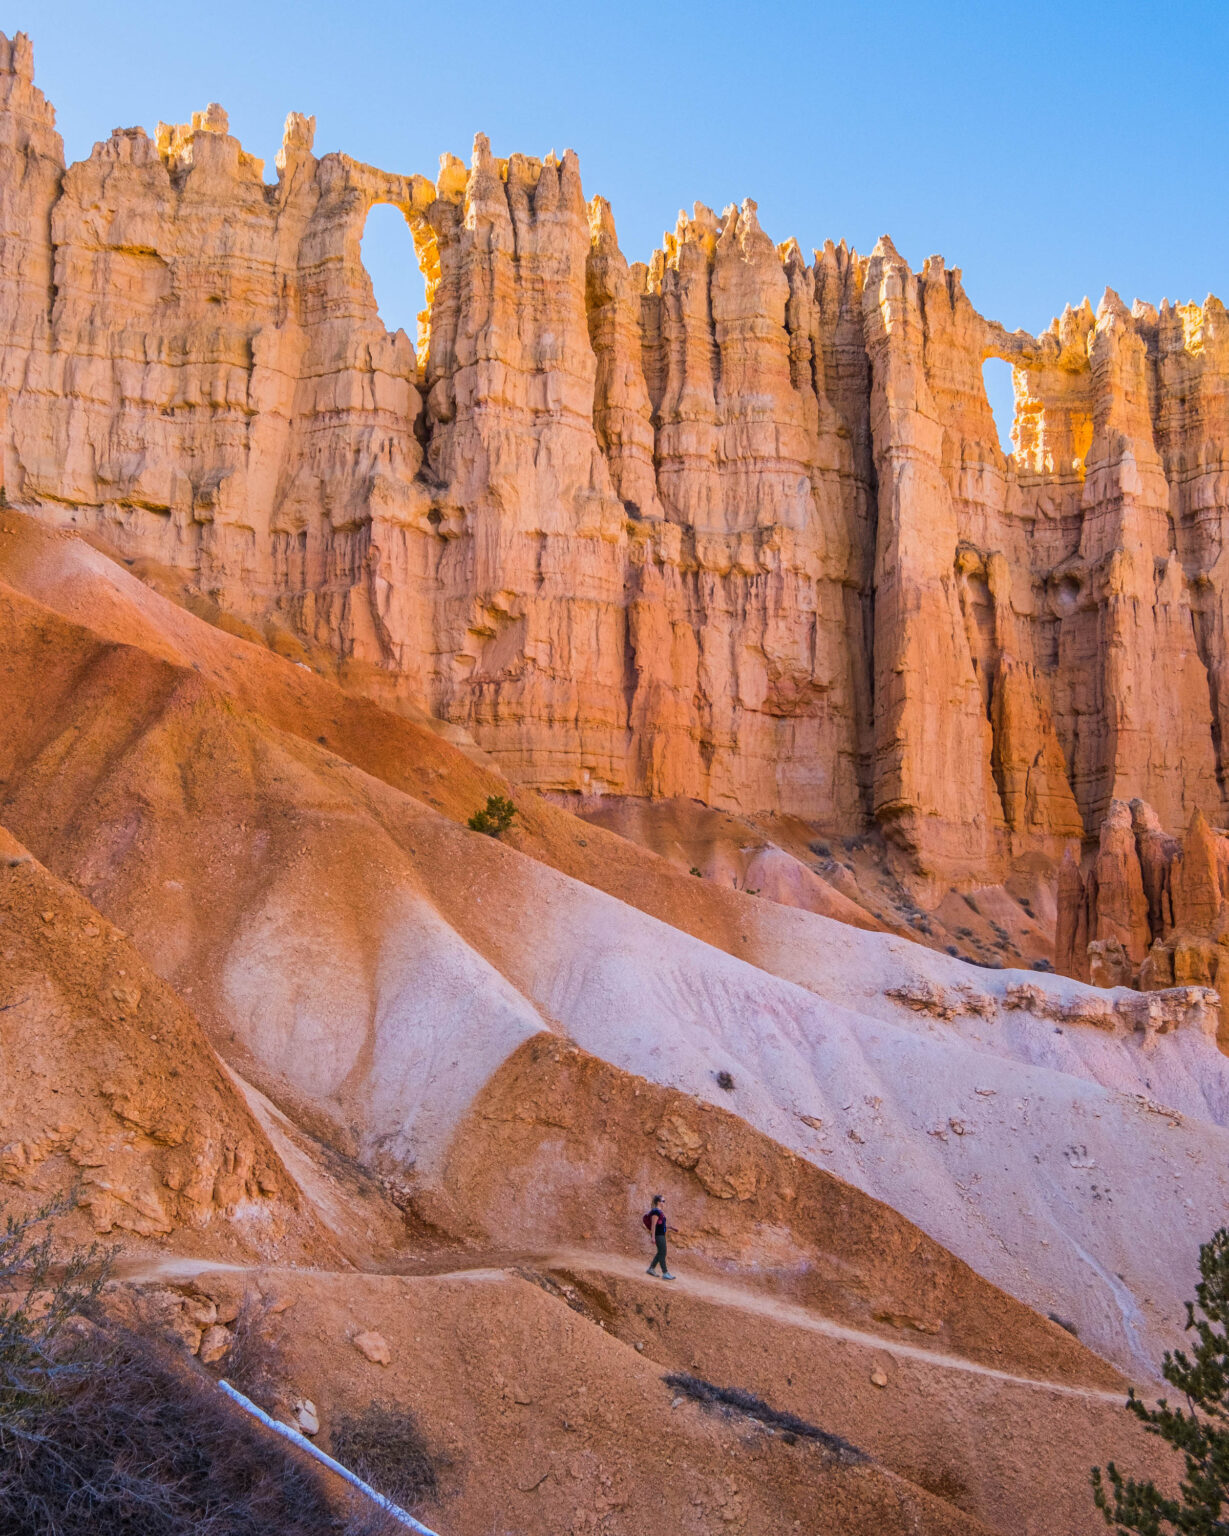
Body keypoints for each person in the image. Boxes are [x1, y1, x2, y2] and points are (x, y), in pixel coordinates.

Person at [643, 1194, 674, 1280]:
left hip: (661, 1235)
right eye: (663, 1201)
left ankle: (651, 1269)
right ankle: (665, 1273)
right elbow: (653, 1225)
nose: (664, 1203)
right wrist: (653, 1237)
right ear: (658, 1202)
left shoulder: (659, 1212)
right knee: (662, 1253)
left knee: (661, 1252)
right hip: (658, 1235)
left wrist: (670, 1227)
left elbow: (660, 1225)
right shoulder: (656, 1212)